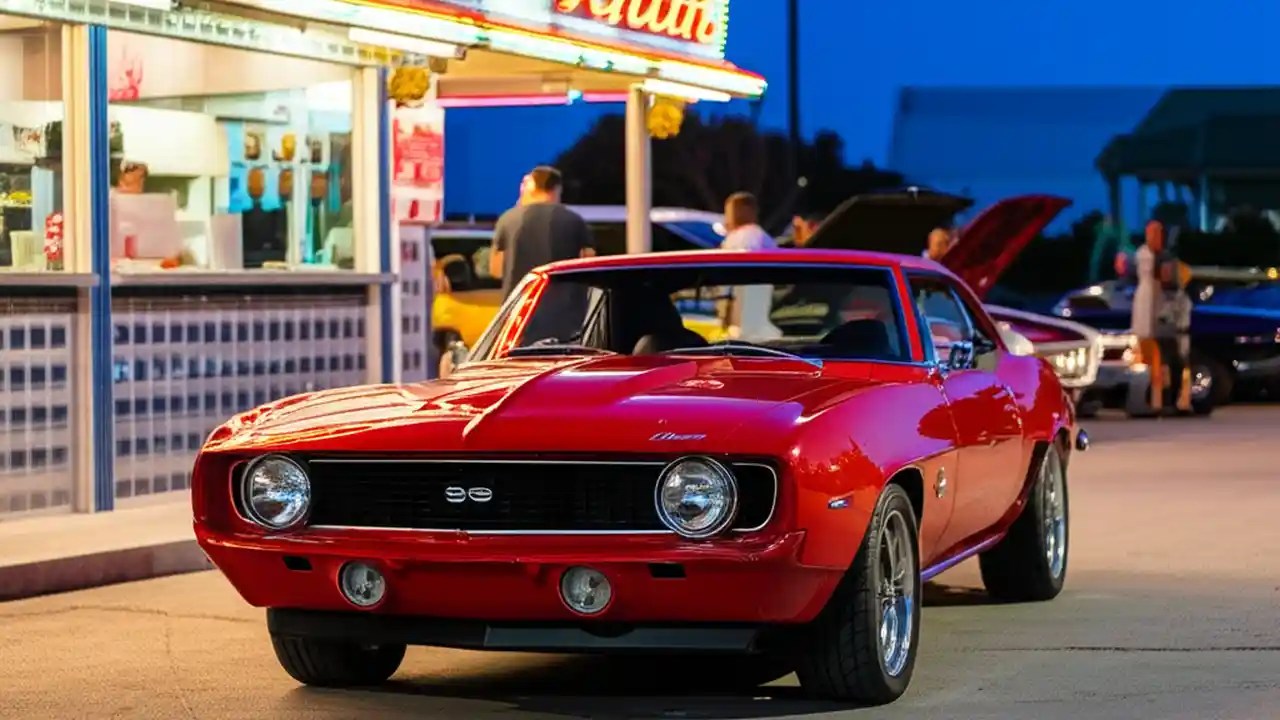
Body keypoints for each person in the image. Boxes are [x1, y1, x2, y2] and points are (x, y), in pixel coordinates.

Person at [488, 165, 595, 299]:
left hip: (521, 309)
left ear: (530, 188)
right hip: (564, 309)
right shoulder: (574, 220)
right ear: (557, 189)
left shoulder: (508, 219)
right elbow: (589, 266)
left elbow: (496, 270)